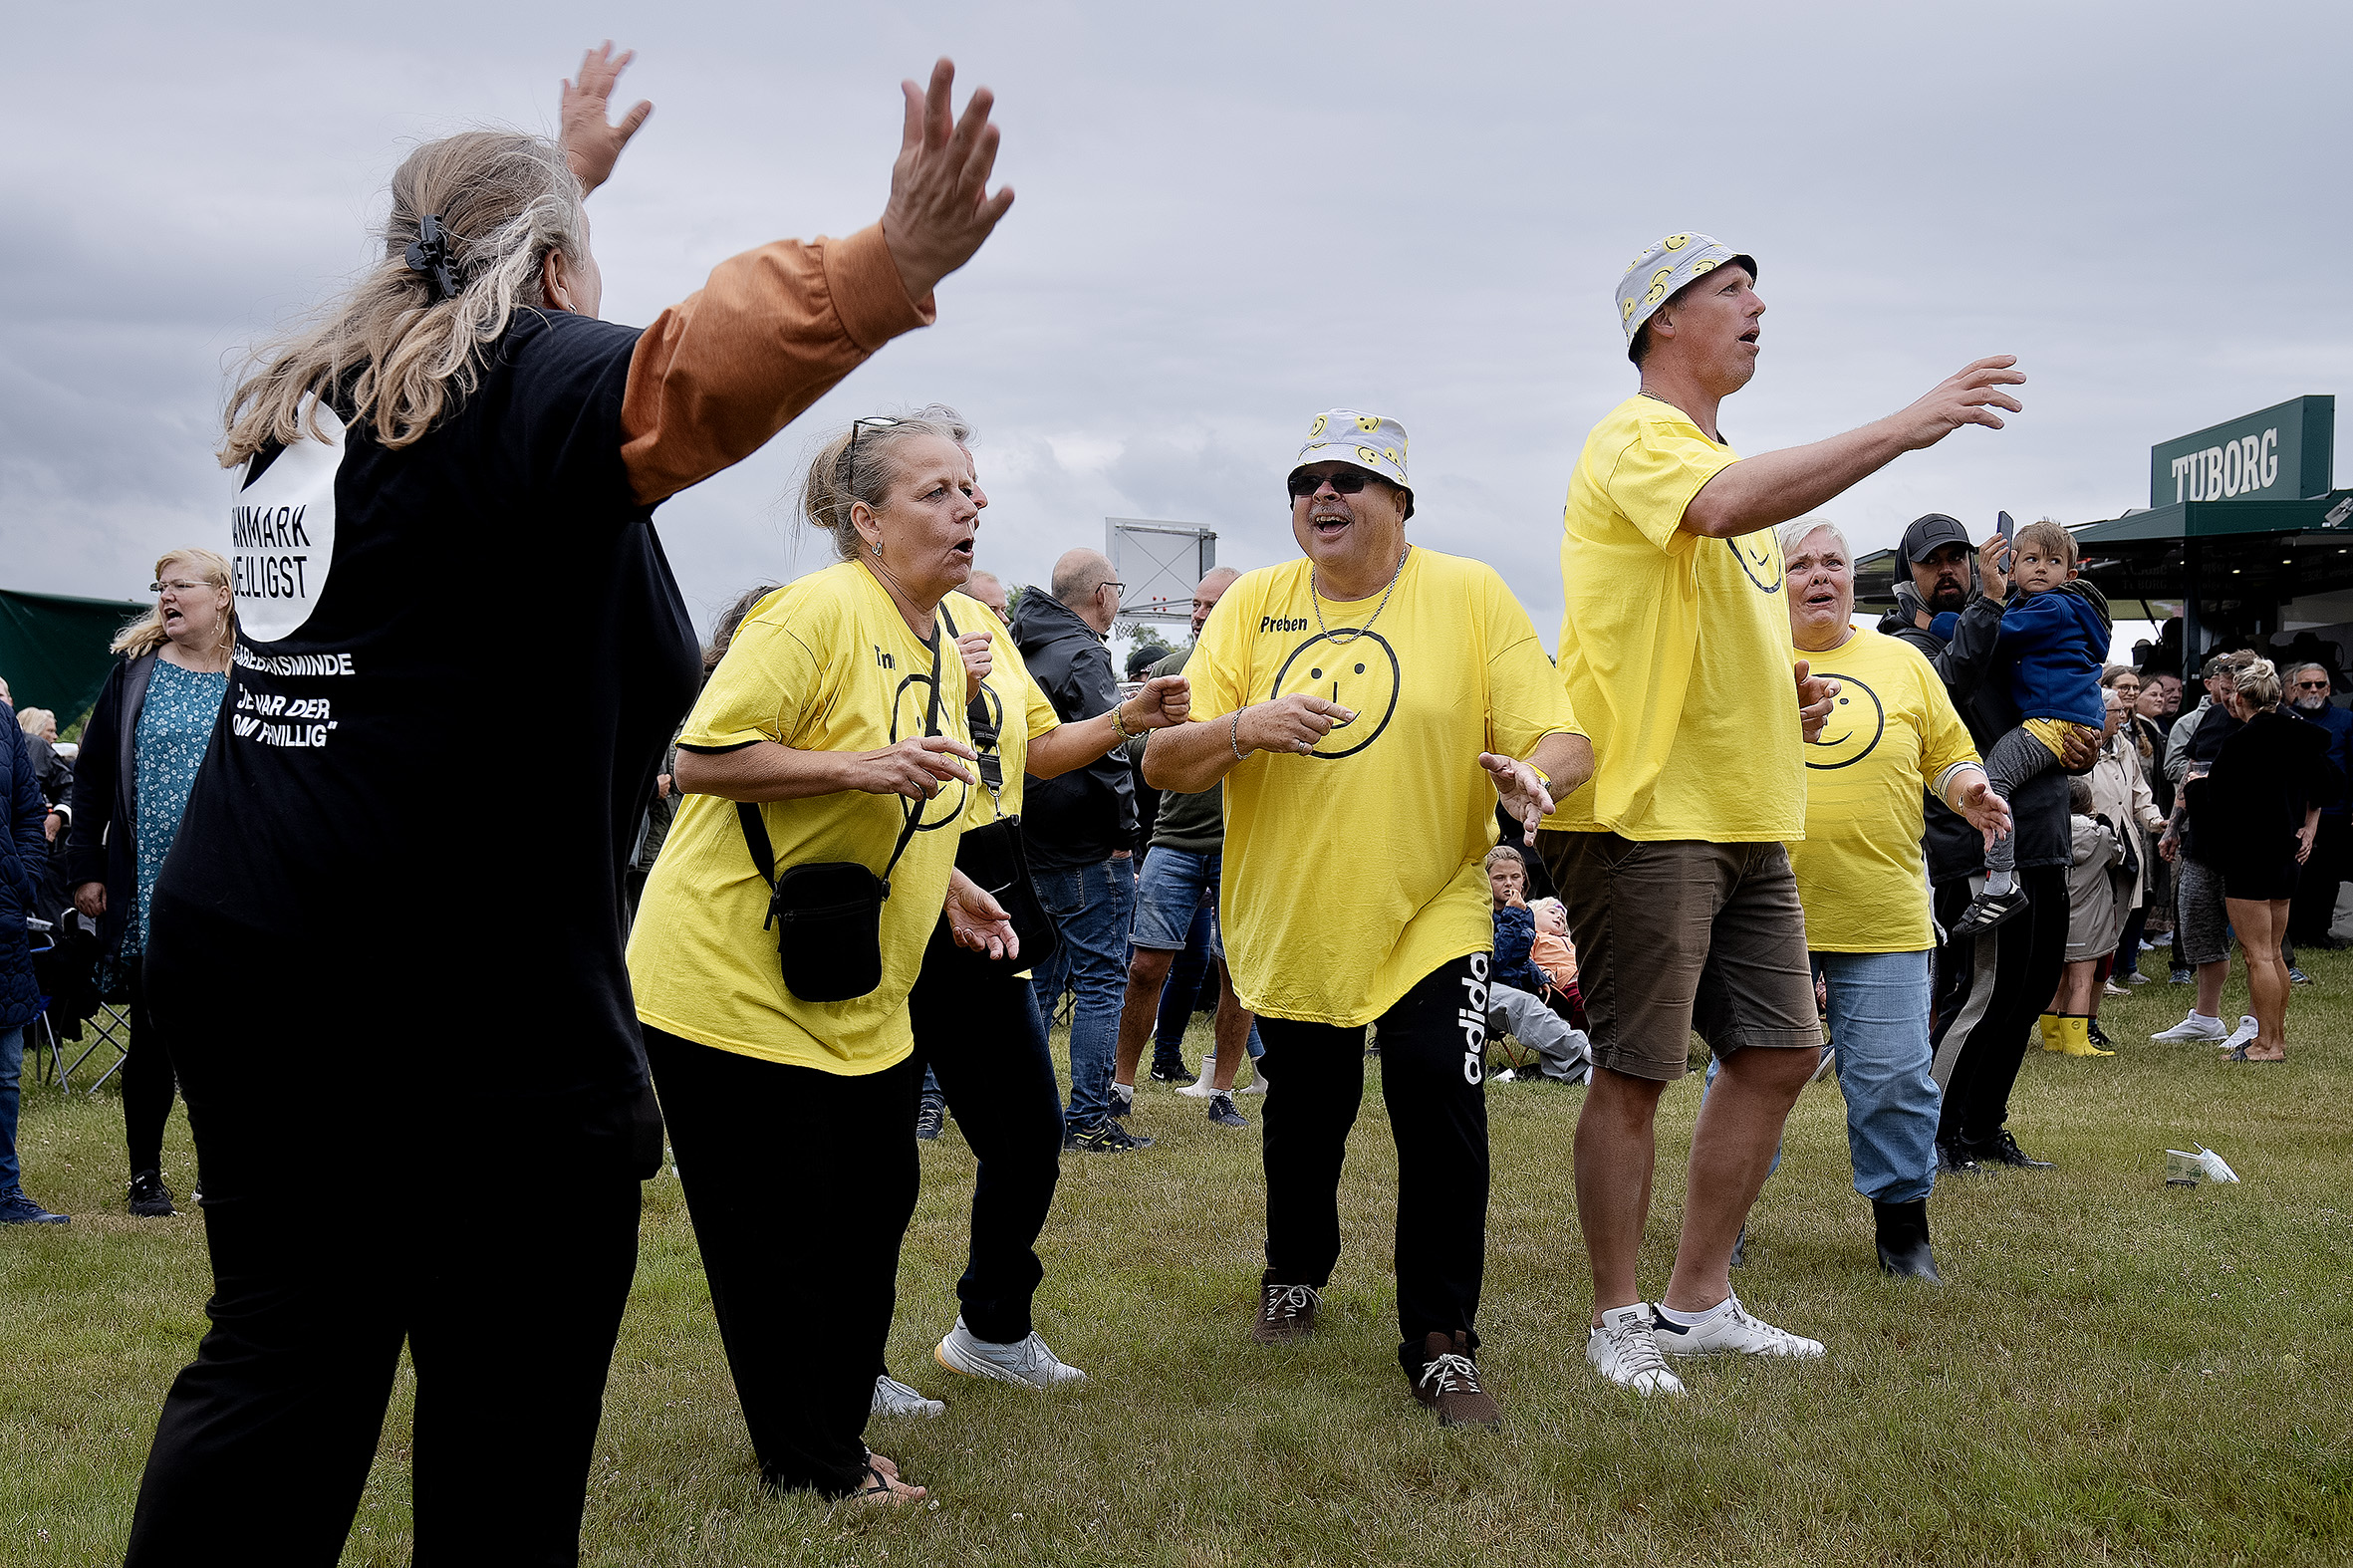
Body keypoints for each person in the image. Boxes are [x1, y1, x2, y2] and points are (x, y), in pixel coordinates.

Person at [125, 47, 1014, 1553]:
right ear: (552, 275)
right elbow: (685, 367)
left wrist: (559, 172)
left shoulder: (330, 402)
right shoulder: (521, 380)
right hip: (460, 981)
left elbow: (477, 278)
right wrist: (886, 266)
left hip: (261, 943)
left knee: (281, 1356)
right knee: (505, 1394)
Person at [1539, 234, 2021, 1396]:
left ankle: (1697, 1301)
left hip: (1750, 812)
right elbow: (1722, 504)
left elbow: (1716, 609)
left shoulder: (1724, 471)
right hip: (1646, 813)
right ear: (1662, 322)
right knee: (1637, 1067)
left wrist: (1784, 690)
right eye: (1731, 290)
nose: (1759, 307)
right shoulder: (1639, 437)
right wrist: (1906, 424)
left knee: (1780, 1050)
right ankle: (1617, 1319)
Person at [1145, 408, 1590, 1429]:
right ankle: (1293, 1267)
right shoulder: (1253, 606)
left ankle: (1440, 1338)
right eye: (1306, 481)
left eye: (1351, 478)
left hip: (1432, 902)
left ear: (1400, 502)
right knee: (1308, 1111)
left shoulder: (1469, 594)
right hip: (1297, 907)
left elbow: (1562, 733)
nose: (1324, 496)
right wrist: (1242, 726)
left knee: (1440, 1094)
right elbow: (1164, 761)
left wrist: (1535, 773)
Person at [900, 456, 1189, 1396]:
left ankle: (990, 1327)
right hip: (878, 882)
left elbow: (1036, 751)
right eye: (941, 491)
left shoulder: (983, 622)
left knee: (1027, 1129)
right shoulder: (840, 615)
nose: (971, 506)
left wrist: (1128, 719)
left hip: (985, 878)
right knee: (872, 1154)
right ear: (867, 517)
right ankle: (842, 1362)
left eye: (973, 490)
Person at [1775, 519, 2006, 1280]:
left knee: (1894, 1080)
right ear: (1775, 579)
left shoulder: (1903, 662)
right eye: (1800, 564)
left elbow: (1948, 752)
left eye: (1832, 563)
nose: (1817, 576)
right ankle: (1724, 1223)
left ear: (1854, 579)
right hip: (1764, 912)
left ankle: (1903, 1231)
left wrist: (1971, 790)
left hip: (1883, 910)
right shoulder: (1748, 661)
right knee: (1750, 1076)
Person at [1879, 513, 2096, 1176]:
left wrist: (2079, 745)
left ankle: (1980, 1128)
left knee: (2026, 997)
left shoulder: (2011, 616)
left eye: (1958, 558)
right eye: (1930, 562)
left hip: (2042, 837)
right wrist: (1989, 605)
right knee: (1978, 996)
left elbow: (2053, 699)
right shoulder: (1900, 644)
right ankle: (1932, 1134)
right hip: (1970, 845)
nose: (1947, 571)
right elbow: (1954, 680)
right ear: (1906, 576)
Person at [61, 549, 234, 1220]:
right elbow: (93, 775)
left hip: (236, 889)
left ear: (222, 595)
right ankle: (145, 1179)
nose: (167, 596)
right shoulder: (135, 676)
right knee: (153, 1036)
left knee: (231, 1043)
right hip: (150, 887)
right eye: (160, 587)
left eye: (181, 585)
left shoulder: (256, 672)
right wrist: (84, 870)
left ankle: (220, 1177)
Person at [1109, 568, 1264, 1131]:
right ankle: (1120, 1086)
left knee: (1236, 974)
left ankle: (1221, 1089)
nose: (1199, 615)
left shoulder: (1265, 666)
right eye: (1196, 605)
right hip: (1173, 839)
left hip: (1241, 842)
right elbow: (1147, 759)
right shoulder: (1174, 672)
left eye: (1212, 606)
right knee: (1145, 966)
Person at [1014, 548, 1148, 1152]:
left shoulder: (1024, 647)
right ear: (1102, 595)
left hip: (1031, 842)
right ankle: (1090, 1117)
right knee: (1099, 981)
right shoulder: (1085, 653)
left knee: (1039, 982)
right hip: (1090, 849)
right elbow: (1110, 745)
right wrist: (1126, 833)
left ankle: (1028, 1112)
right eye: (1117, 588)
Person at [1941, 521, 2111, 937]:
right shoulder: (2041, 604)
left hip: (2054, 720)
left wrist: (1944, 623)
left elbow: (2001, 634)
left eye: (2053, 562)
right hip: (2059, 719)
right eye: (2031, 559)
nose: (2040, 569)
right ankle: (2002, 879)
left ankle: (1999, 883)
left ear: (2070, 575)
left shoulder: (2052, 607)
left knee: (1993, 781)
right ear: (2012, 566)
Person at [2185, 657, 2340, 1062]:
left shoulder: (2243, 741)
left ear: (2239, 697)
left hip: (2249, 859)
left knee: (2258, 956)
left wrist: (2196, 789)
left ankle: (2266, 1044)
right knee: (2273, 953)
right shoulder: (2299, 735)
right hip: (2285, 857)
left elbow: (2215, 805)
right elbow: (2329, 784)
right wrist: (2305, 823)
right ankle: (2275, 1038)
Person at [2, 714, 69, 1224]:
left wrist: (20, 879)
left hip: (2, 918)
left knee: (4, 1071)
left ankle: (5, 1191)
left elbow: (30, 813)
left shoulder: (3, 722)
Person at [1484, 847, 1589, 1084]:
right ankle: (1592, 1055)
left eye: (1515, 877)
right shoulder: (1482, 913)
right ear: (1485, 880)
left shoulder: (1524, 913)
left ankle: (1578, 1071)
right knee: (1527, 1005)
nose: (1509, 884)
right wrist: (1511, 914)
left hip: (1517, 983)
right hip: (1487, 986)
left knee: (1556, 1008)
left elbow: (1522, 954)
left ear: (1524, 879)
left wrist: (1537, 975)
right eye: (1499, 878)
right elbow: (1496, 961)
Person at [2047, 774, 2126, 1058]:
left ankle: (2052, 1038)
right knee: (2081, 983)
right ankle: (2077, 1043)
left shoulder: (2047, 832)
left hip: (2054, 918)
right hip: (2089, 922)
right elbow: (2119, 856)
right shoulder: (2101, 835)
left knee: (2056, 981)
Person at [2283, 661, 2353, 949]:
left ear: (2328, 688)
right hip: (2293, 813)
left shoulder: (2345, 720)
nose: (2313, 690)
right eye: (2306, 685)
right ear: (2295, 689)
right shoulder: (2285, 719)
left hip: (2335, 811)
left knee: (2328, 875)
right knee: (2297, 872)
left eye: (2320, 684)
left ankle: (2320, 931)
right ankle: (2294, 932)